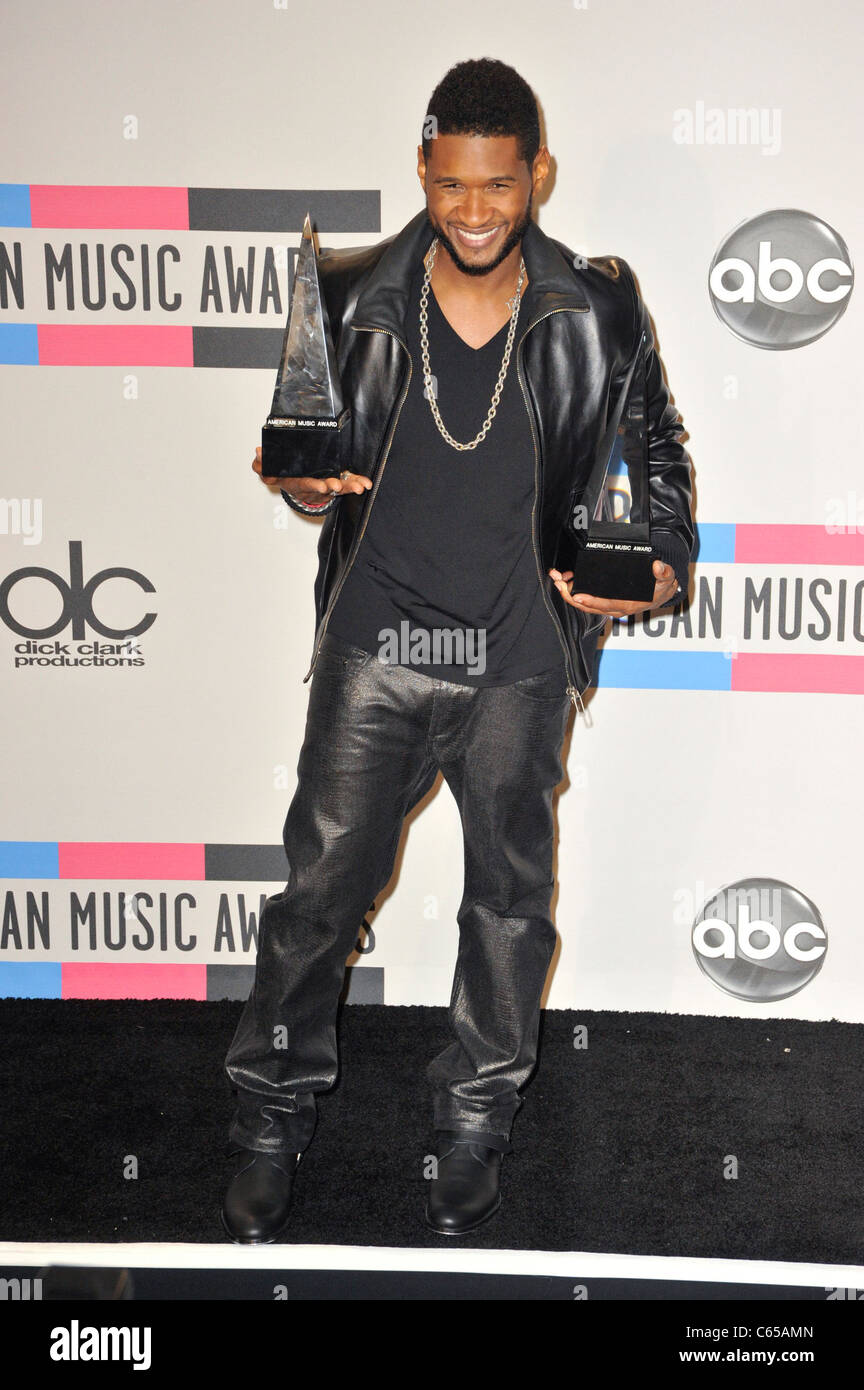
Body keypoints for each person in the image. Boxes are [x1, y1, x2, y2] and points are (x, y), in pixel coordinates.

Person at [222, 57, 693, 1244]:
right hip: (374, 647)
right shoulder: (350, 292)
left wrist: (667, 555)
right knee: (318, 901)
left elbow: (661, 448)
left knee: (506, 909)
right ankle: (271, 1116)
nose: (474, 211)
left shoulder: (599, 308)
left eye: (498, 185)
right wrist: (299, 483)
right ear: (421, 174)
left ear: (537, 173)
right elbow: (294, 441)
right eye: (449, 185)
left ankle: (475, 1123)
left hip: (521, 661)